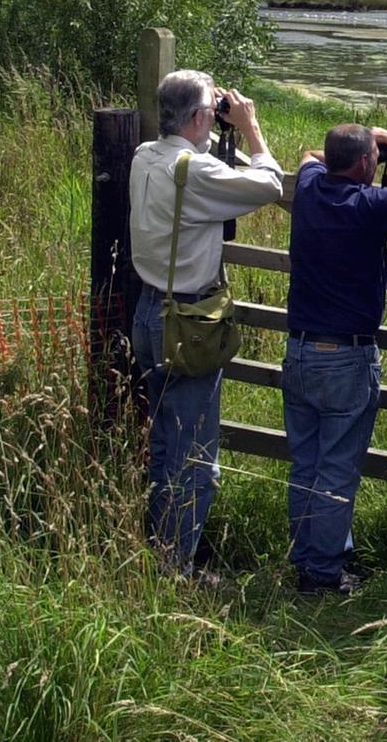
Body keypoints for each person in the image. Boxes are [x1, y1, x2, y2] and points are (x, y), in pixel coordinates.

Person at [129, 70, 284, 581]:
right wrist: (251, 126)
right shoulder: (191, 171)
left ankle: (159, 551)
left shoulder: (145, 157)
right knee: (195, 456)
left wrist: (217, 122)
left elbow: (199, 157)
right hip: (188, 323)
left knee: (164, 444)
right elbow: (269, 183)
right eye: (209, 113)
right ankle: (177, 569)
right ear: (199, 118)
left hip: (150, 312)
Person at [283, 124, 387, 595]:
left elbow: (309, 155)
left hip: (301, 349)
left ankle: (306, 559)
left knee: (306, 463)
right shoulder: (373, 206)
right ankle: (323, 574)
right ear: (367, 164)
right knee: (336, 470)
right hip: (347, 354)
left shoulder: (309, 189)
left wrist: (364, 145)